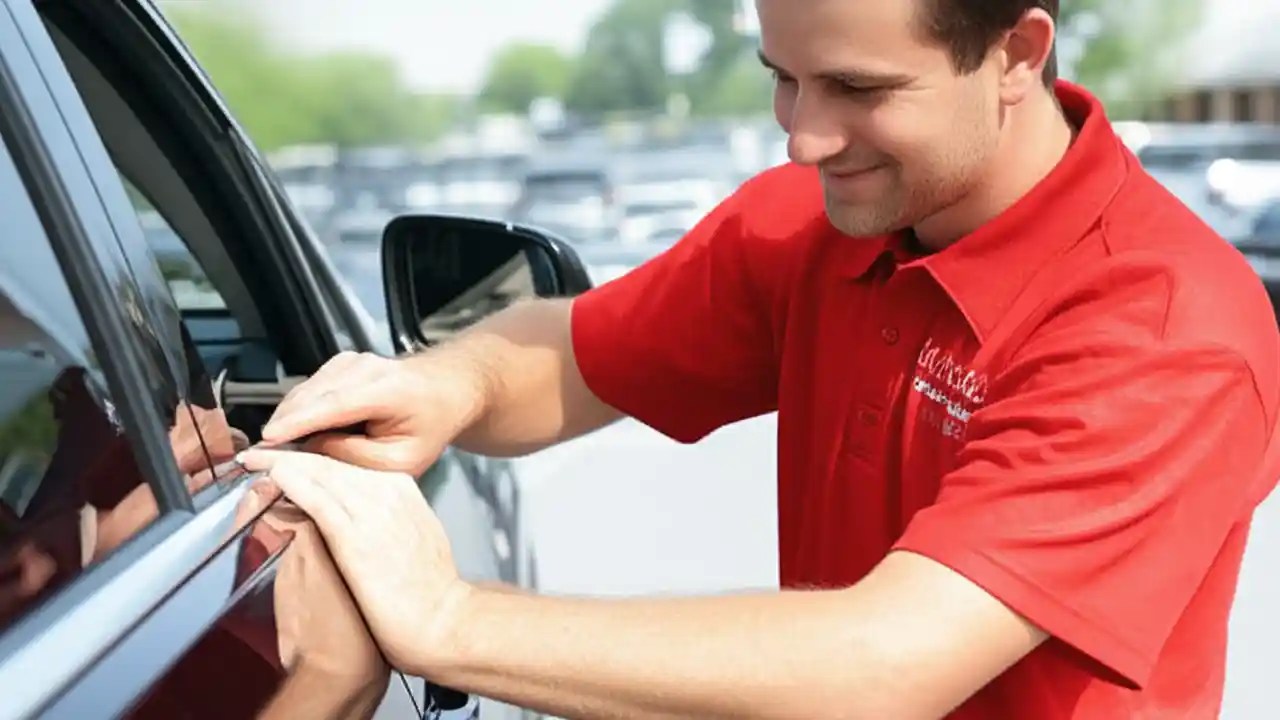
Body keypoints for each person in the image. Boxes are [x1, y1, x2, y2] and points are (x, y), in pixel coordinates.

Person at [239, 0, 1280, 717]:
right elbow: (567, 352)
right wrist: (438, 384)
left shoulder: (1162, 329)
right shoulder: (816, 228)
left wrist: (447, 617)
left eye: (855, 87)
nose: (803, 138)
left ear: (1015, 52)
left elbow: (885, 664)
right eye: (783, 79)